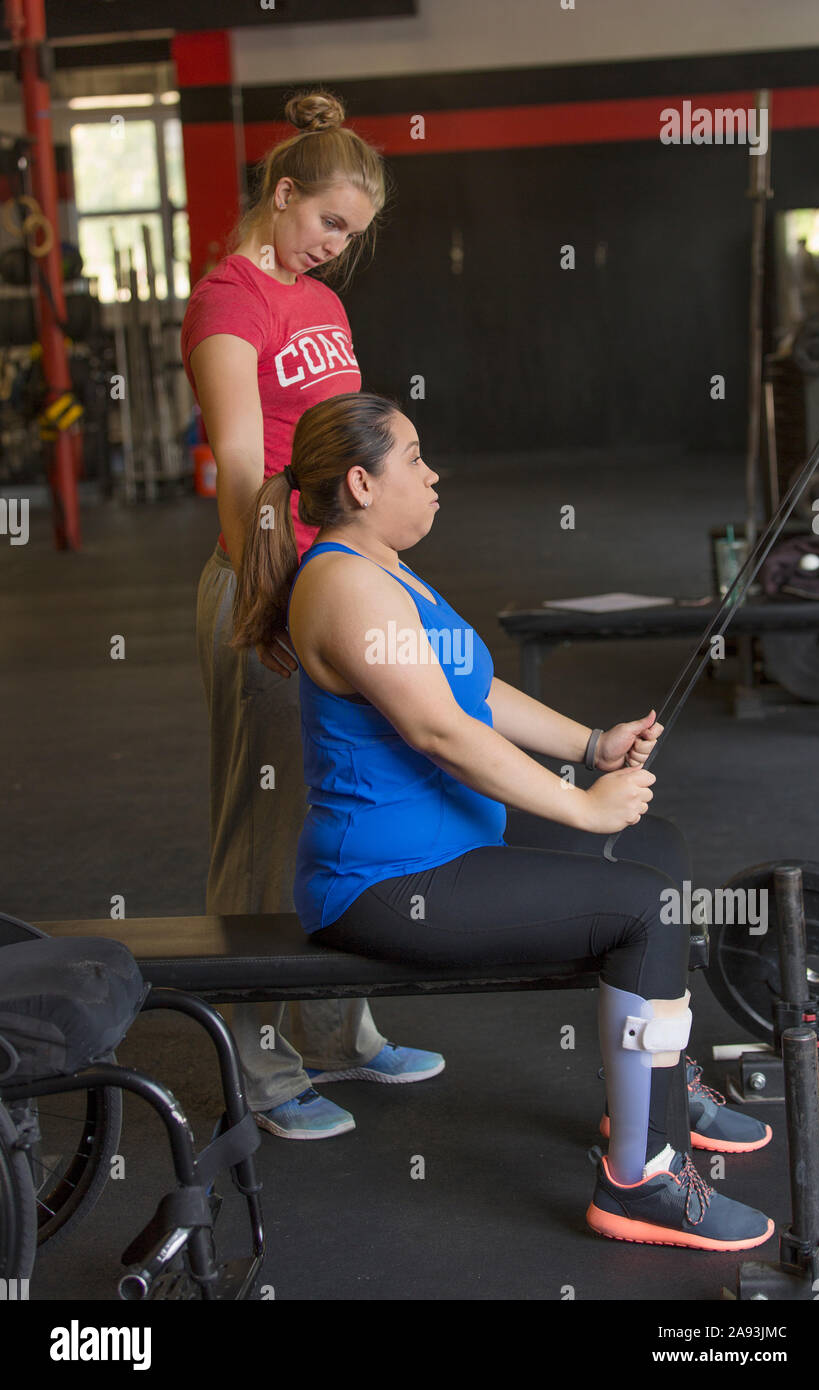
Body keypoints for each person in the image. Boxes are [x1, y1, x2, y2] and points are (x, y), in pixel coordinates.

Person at [229, 390, 775, 1250]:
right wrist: (577, 803)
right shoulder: (342, 586)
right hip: (385, 882)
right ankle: (637, 1179)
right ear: (363, 484)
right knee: (638, 907)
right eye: (414, 457)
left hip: (455, 841)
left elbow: (473, 690)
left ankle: (656, 1088)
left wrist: (591, 744)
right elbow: (438, 729)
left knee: (653, 847)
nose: (432, 472)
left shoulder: (384, 569)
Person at [181, 90, 443, 1141]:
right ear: (282, 193)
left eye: (355, 236)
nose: (338, 249)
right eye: (330, 223)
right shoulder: (228, 299)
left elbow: (346, 458)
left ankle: (335, 1028)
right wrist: (270, 598)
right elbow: (244, 463)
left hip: (340, 576)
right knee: (264, 821)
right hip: (267, 580)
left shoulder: (322, 305)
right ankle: (253, 1057)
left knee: (351, 802)